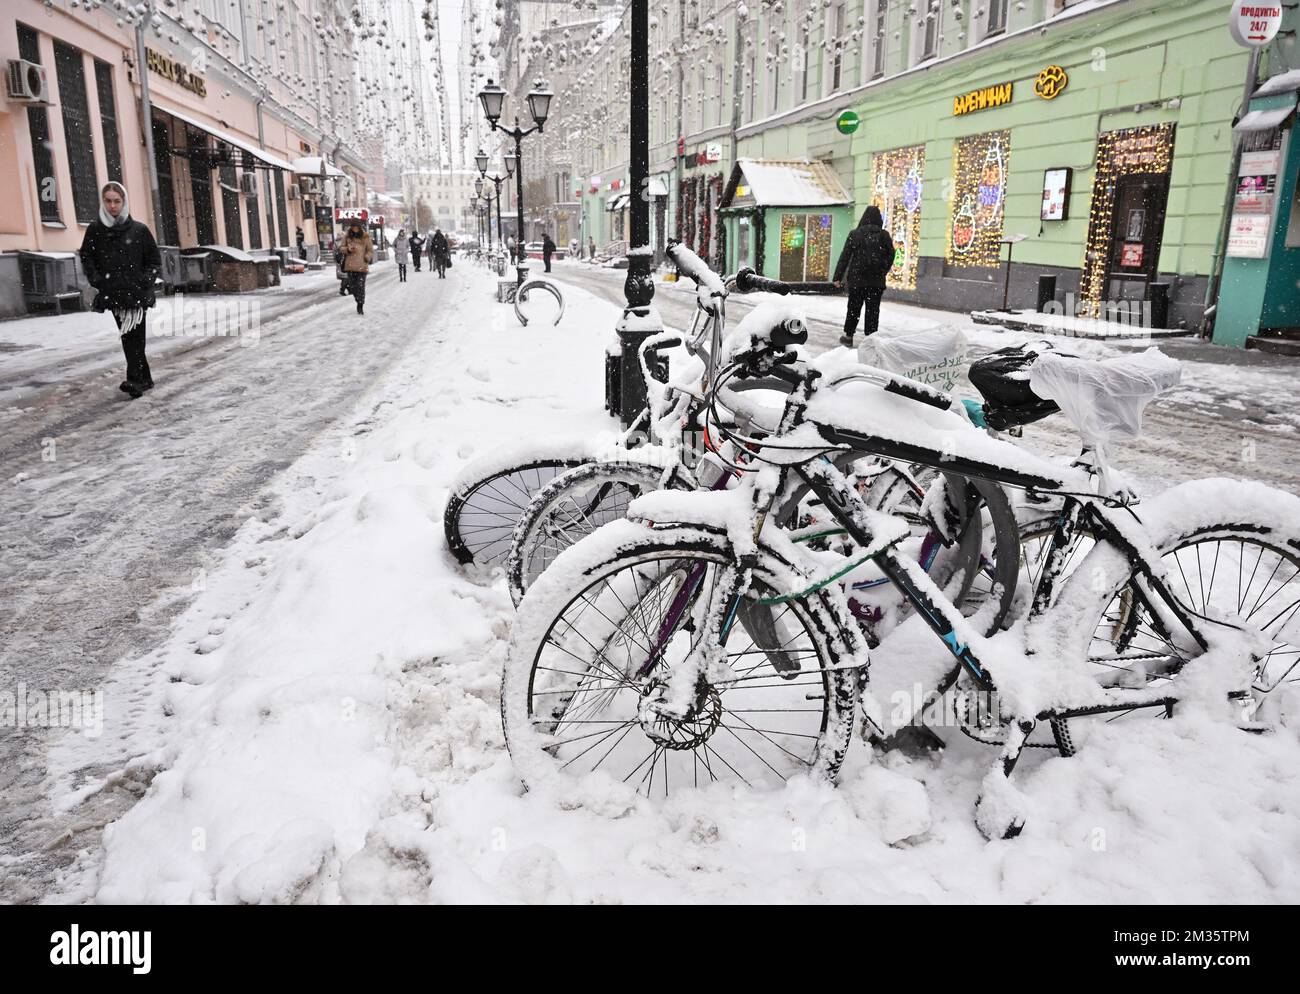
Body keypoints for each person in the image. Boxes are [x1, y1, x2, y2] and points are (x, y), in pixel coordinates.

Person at [79, 181, 161, 399]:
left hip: (136, 292)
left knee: (134, 335)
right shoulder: (95, 230)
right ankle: (145, 378)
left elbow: (154, 260)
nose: (112, 205)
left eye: (117, 201)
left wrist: (145, 280)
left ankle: (134, 380)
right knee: (128, 335)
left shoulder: (139, 230)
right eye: (108, 201)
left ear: (123, 202)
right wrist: (97, 280)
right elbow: (86, 256)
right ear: (103, 202)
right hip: (113, 292)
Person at [832, 204, 895, 348]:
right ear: (878, 219)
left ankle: (849, 336)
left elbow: (845, 256)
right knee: (873, 310)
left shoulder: (855, 234)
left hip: (857, 280)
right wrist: (882, 270)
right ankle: (870, 339)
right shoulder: (884, 235)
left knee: (854, 308)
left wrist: (838, 276)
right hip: (876, 282)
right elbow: (891, 255)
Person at [339, 220, 374, 315]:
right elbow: (341, 248)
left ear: (359, 227)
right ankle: (357, 299)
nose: (355, 229)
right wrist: (348, 249)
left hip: (362, 266)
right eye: (353, 227)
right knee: (353, 287)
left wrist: (367, 257)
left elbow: (370, 250)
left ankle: (360, 305)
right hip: (350, 266)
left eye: (356, 227)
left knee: (361, 287)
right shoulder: (347, 236)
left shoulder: (365, 236)